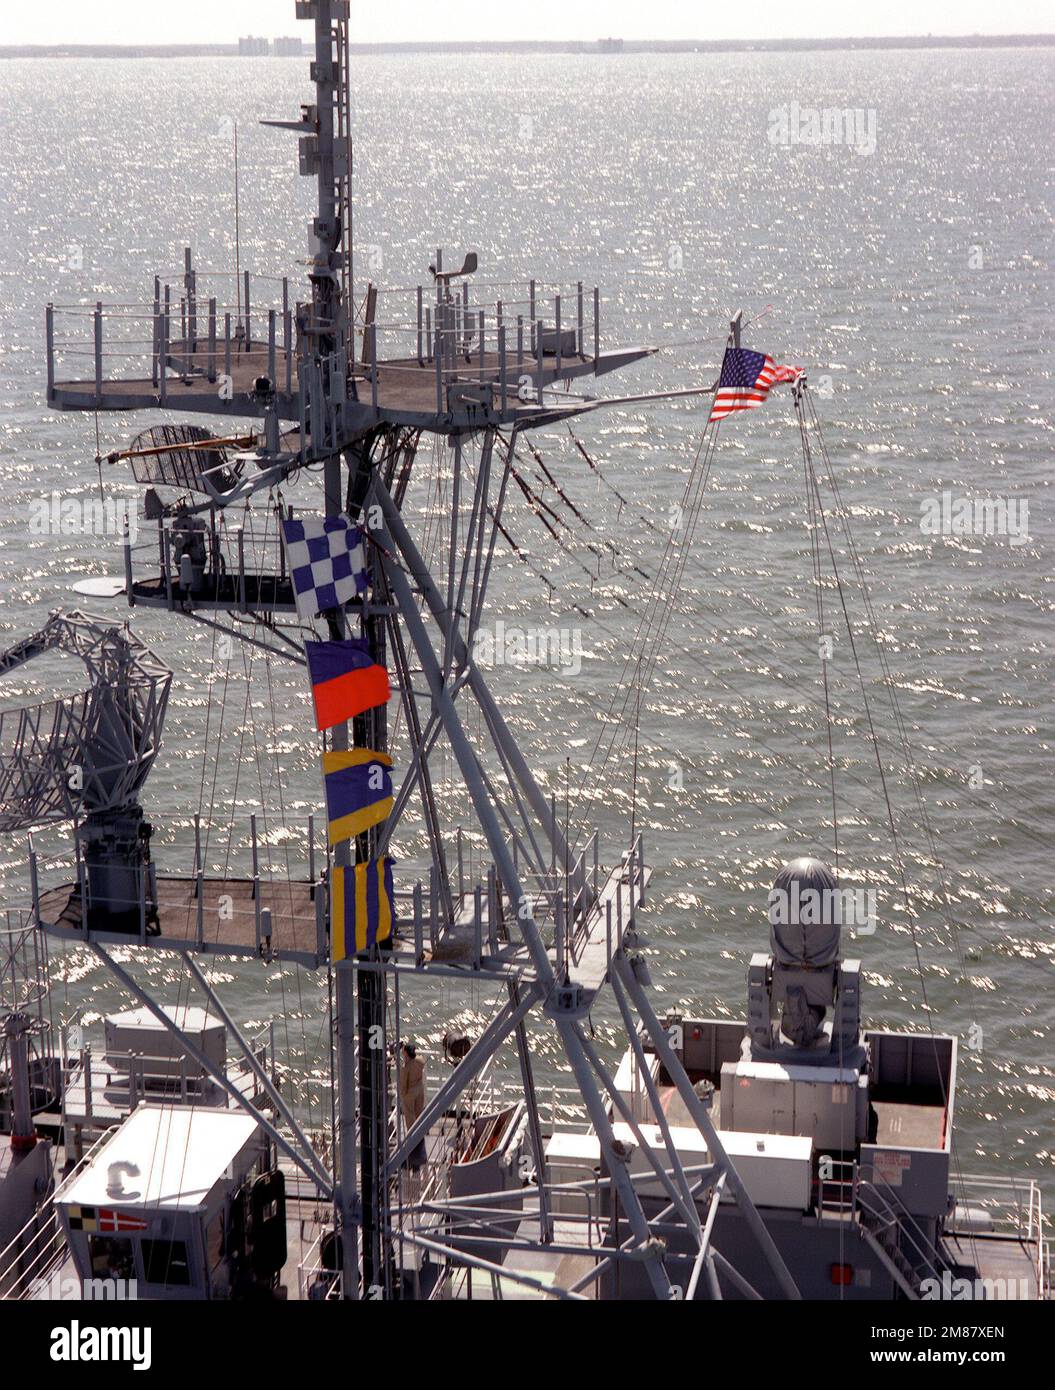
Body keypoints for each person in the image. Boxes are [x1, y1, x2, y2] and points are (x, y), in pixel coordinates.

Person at [399, 1041, 427, 1172]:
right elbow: (421, 1062)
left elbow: (403, 1084)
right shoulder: (420, 1061)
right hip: (419, 1089)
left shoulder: (406, 1067)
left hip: (410, 1093)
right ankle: (420, 1133)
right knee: (419, 1112)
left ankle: (413, 1138)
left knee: (410, 1117)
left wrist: (403, 1095)